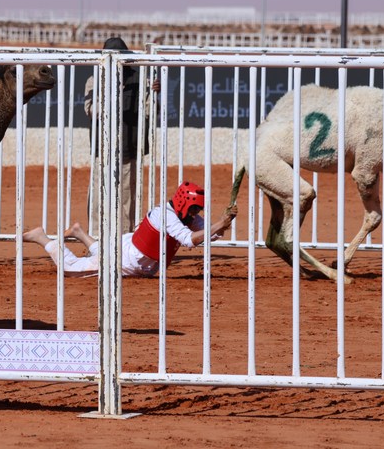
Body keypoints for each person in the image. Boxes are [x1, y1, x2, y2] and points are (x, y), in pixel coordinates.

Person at [22, 181, 237, 277]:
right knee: (71, 270)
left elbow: (207, 233)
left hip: (129, 252)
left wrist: (222, 224)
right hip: (126, 259)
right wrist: (219, 224)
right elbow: (191, 240)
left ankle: (79, 232)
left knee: (101, 257)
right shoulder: (166, 216)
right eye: (193, 210)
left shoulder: (184, 216)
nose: (195, 215)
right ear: (183, 204)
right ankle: (42, 238)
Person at [84, 37, 159, 233]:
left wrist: (156, 94)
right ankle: (96, 239)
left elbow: (151, 111)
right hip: (102, 149)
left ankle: (125, 240)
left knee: (127, 197)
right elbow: (91, 110)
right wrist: (115, 95)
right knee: (99, 196)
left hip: (129, 147)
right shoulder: (94, 79)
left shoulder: (142, 79)